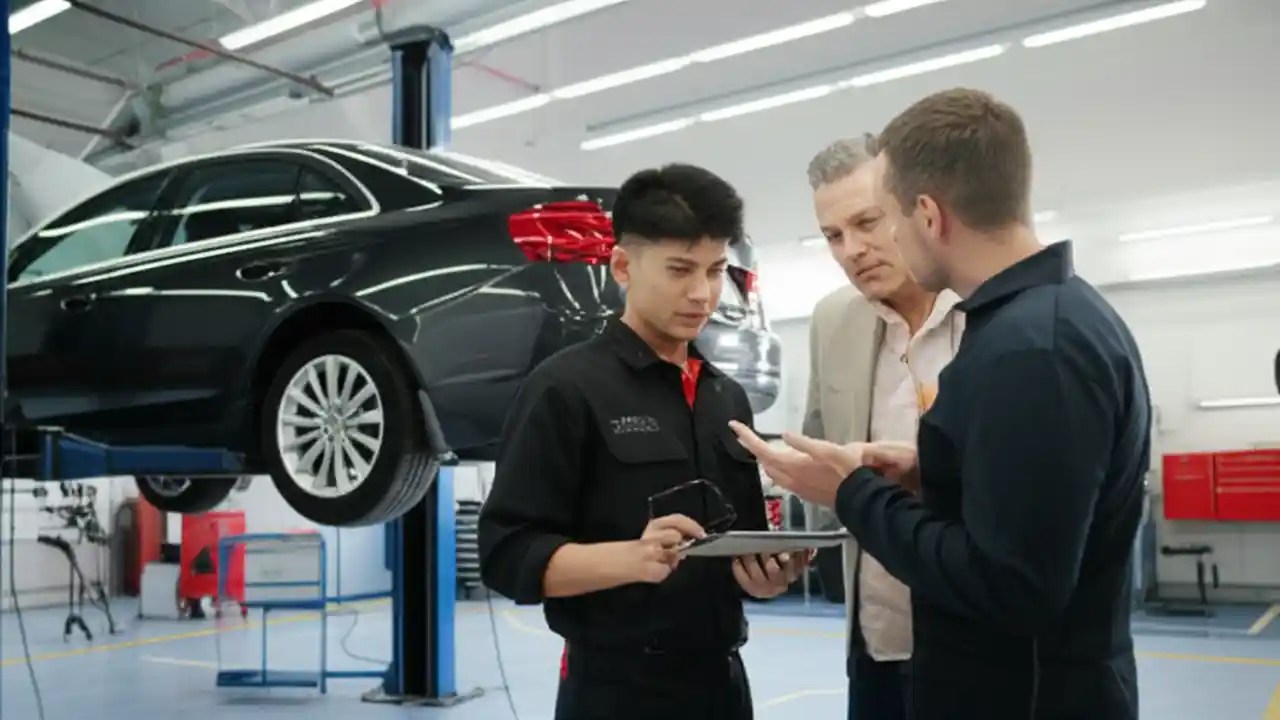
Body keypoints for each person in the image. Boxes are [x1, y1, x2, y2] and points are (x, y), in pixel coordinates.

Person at [732, 88, 1150, 720]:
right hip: (929, 662)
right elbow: (1028, 502)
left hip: (1018, 689)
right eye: (832, 235)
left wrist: (856, 491)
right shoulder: (1050, 318)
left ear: (926, 214)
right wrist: (926, 470)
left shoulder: (1027, 347)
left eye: (882, 220)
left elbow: (1013, 585)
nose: (859, 248)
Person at [478, 162, 807, 720]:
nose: (702, 293)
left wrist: (767, 578)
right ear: (623, 266)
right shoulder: (564, 388)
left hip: (723, 686)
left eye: (715, 270)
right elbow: (506, 554)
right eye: (680, 269)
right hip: (614, 691)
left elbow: (742, 556)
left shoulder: (726, 398)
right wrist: (628, 559)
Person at [802, 133, 964, 720]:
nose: (852, 250)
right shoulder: (831, 320)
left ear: (915, 206)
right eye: (832, 236)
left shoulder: (988, 310)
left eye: (867, 222)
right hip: (877, 638)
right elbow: (823, 449)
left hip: (981, 640)